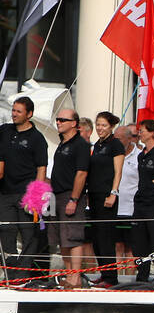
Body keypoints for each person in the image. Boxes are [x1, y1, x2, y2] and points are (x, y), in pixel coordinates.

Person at [0, 95, 48, 283]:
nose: (14, 114)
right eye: (13, 110)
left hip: (26, 193)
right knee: (6, 232)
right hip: (5, 193)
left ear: (29, 114)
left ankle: (23, 273)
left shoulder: (37, 138)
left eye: (18, 111)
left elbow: (42, 168)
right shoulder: (5, 131)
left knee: (29, 234)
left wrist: (36, 197)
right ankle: (11, 272)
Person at [50, 109, 92, 288]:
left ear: (74, 123)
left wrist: (74, 199)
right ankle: (69, 275)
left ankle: (76, 277)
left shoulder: (80, 144)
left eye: (63, 120)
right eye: (58, 119)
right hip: (57, 195)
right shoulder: (62, 143)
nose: (58, 122)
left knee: (73, 236)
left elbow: (81, 173)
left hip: (71, 195)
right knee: (63, 238)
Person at [87, 111, 125, 287]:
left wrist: (113, 193)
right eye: (98, 125)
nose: (100, 128)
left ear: (111, 127)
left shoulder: (115, 144)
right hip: (94, 195)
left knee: (106, 238)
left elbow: (118, 171)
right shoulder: (97, 145)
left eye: (103, 125)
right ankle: (103, 272)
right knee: (96, 238)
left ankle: (111, 277)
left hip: (107, 195)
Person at [132, 119, 154, 286]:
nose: (140, 133)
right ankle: (142, 275)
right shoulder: (141, 155)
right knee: (139, 242)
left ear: (152, 133)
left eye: (143, 130)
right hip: (140, 203)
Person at [113, 123, 138, 271]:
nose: (116, 142)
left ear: (129, 139)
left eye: (119, 139)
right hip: (115, 208)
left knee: (130, 248)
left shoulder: (139, 156)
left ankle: (130, 279)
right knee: (117, 246)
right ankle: (116, 278)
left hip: (132, 209)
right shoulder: (112, 154)